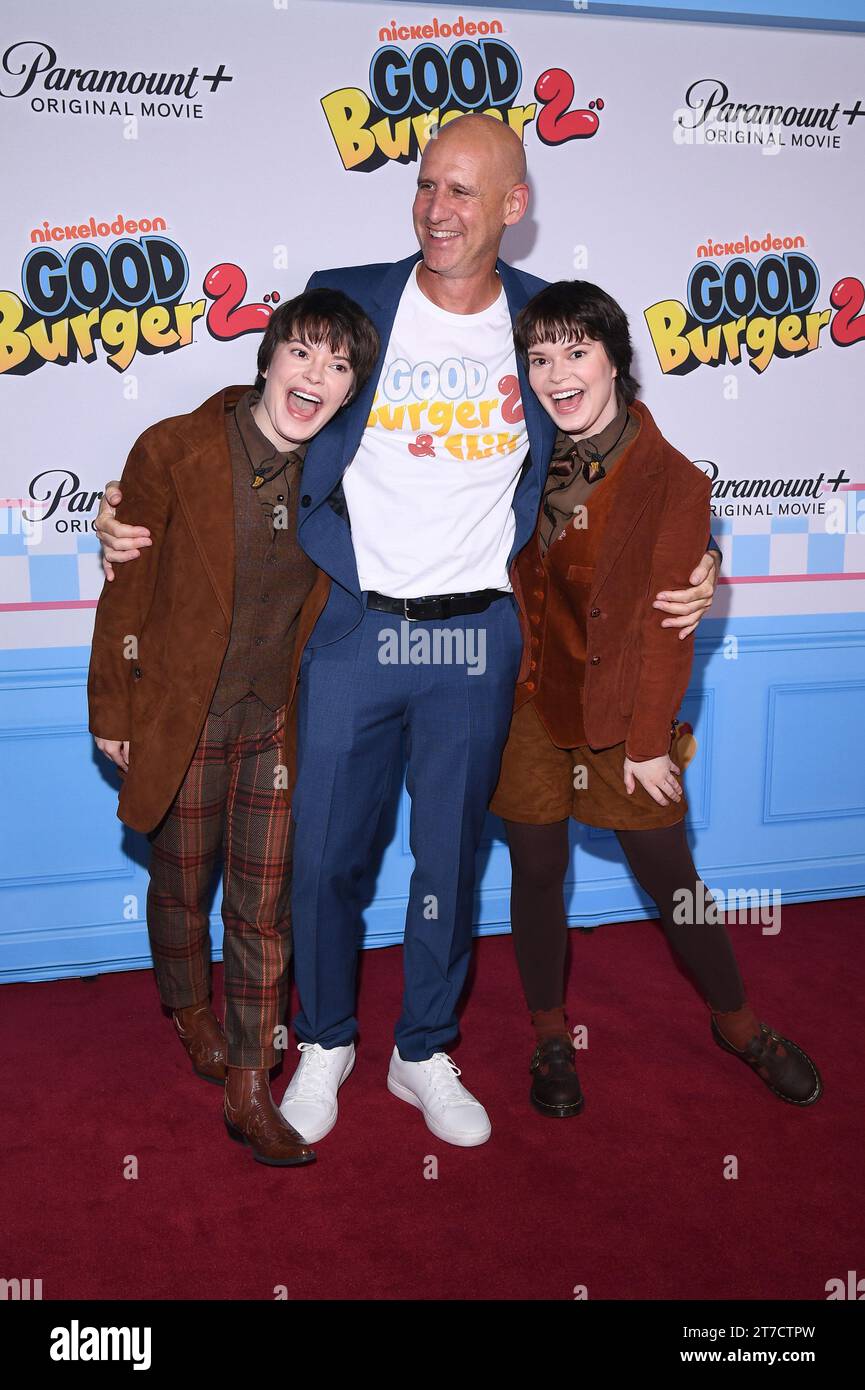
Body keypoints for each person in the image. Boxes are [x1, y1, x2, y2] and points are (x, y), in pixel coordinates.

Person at [94, 115, 722, 1150]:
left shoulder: (538, 322)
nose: (437, 207)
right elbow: (260, 399)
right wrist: (137, 495)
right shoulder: (356, 294)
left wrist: (700, 560)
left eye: (464, 191)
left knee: (446, 861)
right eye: (428, 184)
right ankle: (326, 1037)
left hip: (476, 639)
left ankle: (422, 1046)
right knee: (321, 859)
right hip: (351, 628)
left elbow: (628, 443)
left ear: (513, 209)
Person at [489, 279, 822, 1117]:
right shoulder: (523, 449)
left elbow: (671, 628)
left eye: (576, 352)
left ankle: (739, 1024)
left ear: (613, 361)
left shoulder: (671, 480)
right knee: (534, 869)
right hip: (528, 701)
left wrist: (644, 744)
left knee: (670, 879)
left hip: (620, 715)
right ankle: (549, 1034)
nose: (557, 374)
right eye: (539, 357)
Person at [87, 288, 379, 1166]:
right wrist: (115, 707)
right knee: (181, 882)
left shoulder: (341, 474)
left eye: (338, 367)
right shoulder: (172, 447)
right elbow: (125, 587)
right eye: (302, 354)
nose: (315, 377)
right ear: (267, 358)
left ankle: (251, 1084)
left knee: (262, 908)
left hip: (279, 723)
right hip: (185, 712)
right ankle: (185, 1005)